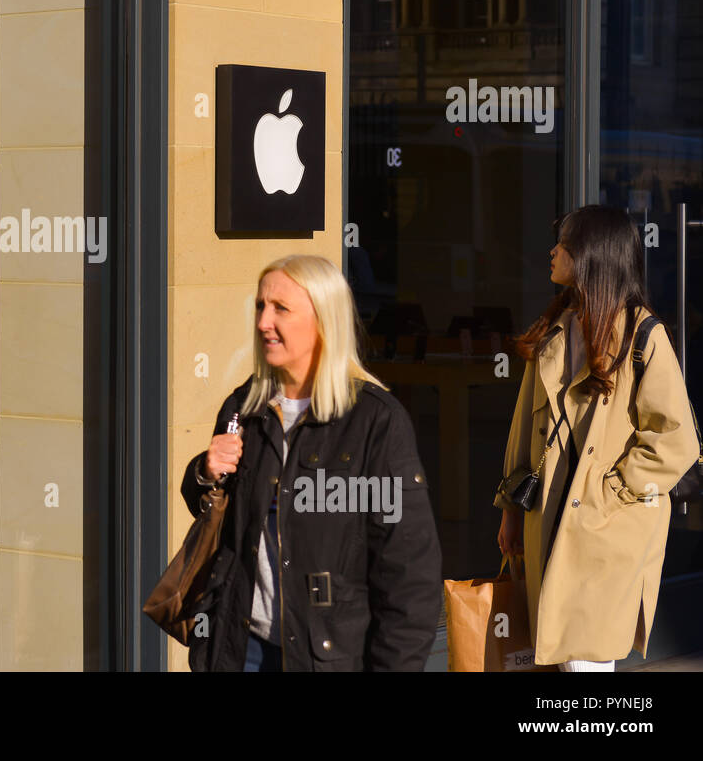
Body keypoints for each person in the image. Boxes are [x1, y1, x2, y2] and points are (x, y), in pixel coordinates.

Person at [180, 254, 441, 671]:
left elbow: (410, 579)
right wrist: (204, 472)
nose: (264, 322)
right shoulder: (246, 406)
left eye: (281, 308)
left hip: (329, 657)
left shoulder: (376, 421)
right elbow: (213, 512)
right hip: (242, 649)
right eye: (260, 307)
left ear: (324, 320)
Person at [495, 206, 698, 671]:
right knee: (565, 658)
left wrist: (612, 491)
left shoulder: (643, 336)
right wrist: (509, 508)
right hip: (547, 517)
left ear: (592, 254)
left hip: (607, 526)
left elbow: (675, 438)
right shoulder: (555, 328)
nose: (552, 251)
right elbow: (522, 428)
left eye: (563, 243)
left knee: (586, 660)